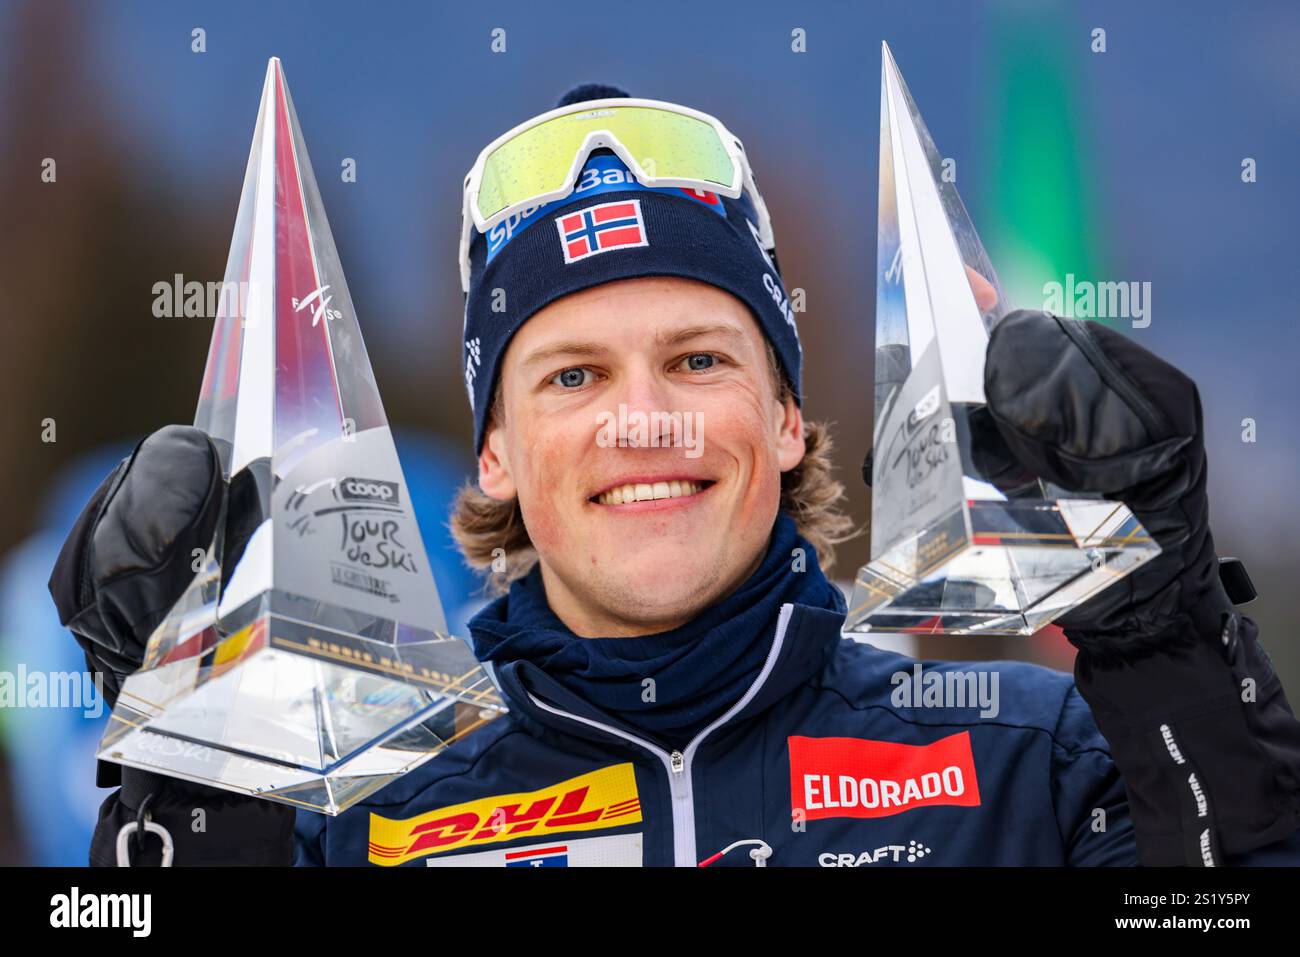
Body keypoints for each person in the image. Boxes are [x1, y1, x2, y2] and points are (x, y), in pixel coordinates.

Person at [50, 84, 1300, 867]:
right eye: (573, 377)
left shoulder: (1030, 759)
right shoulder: (352, 816)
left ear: (789, 417)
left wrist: (1166, 631)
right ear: (496, 449)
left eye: (697, 359)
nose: (641, 422)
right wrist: (188, 773)